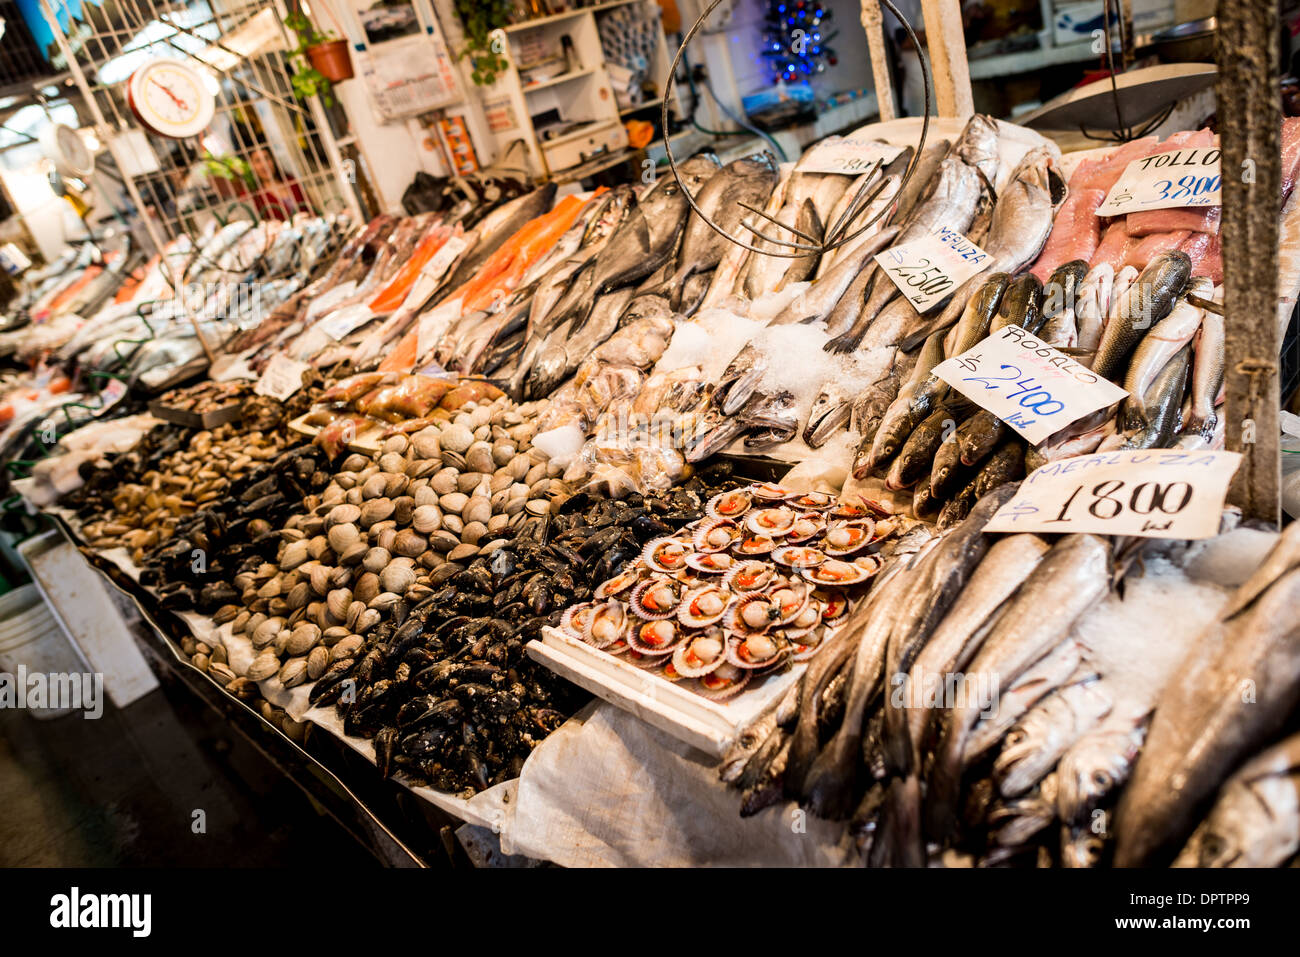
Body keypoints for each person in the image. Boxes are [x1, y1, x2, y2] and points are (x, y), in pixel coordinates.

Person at [248, 147, 311, 221]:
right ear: (252, 166)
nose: (264, 164)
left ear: (273, 160)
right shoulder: (256, 195)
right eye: (258, 161)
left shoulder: (290, 180)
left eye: (267, 158)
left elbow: (310, 206)